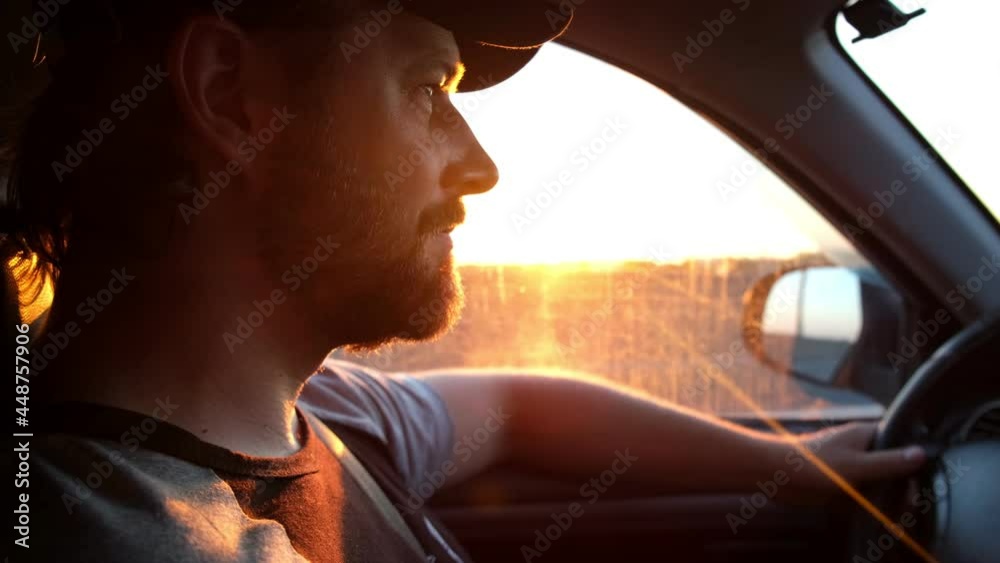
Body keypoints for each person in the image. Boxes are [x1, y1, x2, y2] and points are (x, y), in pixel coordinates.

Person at [1, 1, 926, 561]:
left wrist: (804, 468)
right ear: (231, 92)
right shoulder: (131, 537)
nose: (479, 165)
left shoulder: (319, 411)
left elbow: (522, 408)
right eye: (426, 89)